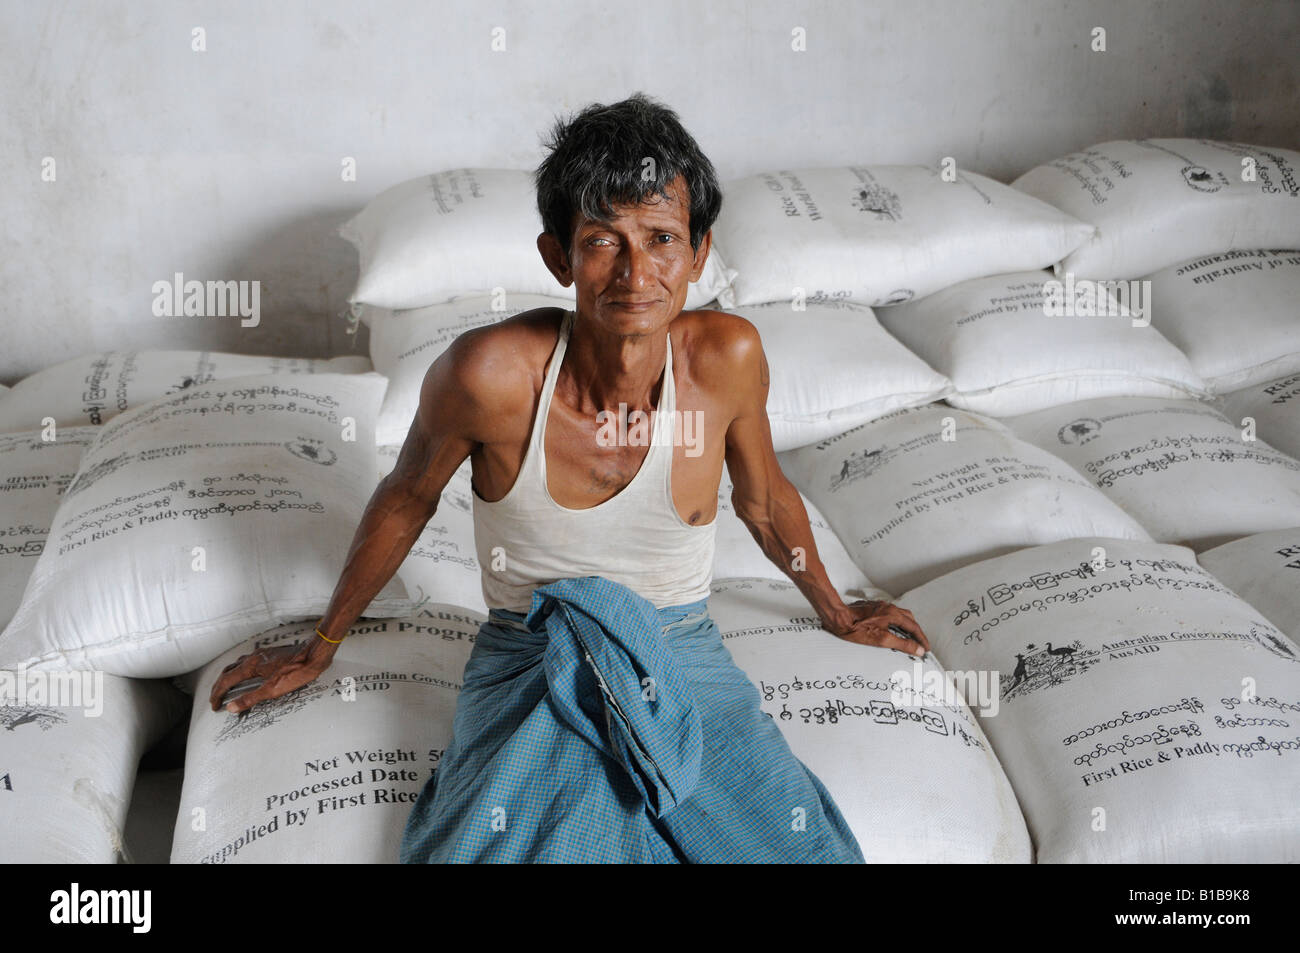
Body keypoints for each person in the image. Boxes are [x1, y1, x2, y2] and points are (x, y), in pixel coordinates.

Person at [209, 92, 931, 863]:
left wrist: (836, 609)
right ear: (558, 256)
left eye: (661, 239)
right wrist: (322, 643)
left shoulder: (727, 359)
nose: (636, 273)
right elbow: (408, 496)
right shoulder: (487, 374)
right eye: (602, 241)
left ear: (698, 253)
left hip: (680, 643)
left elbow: (763, 498)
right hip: (529, 649)